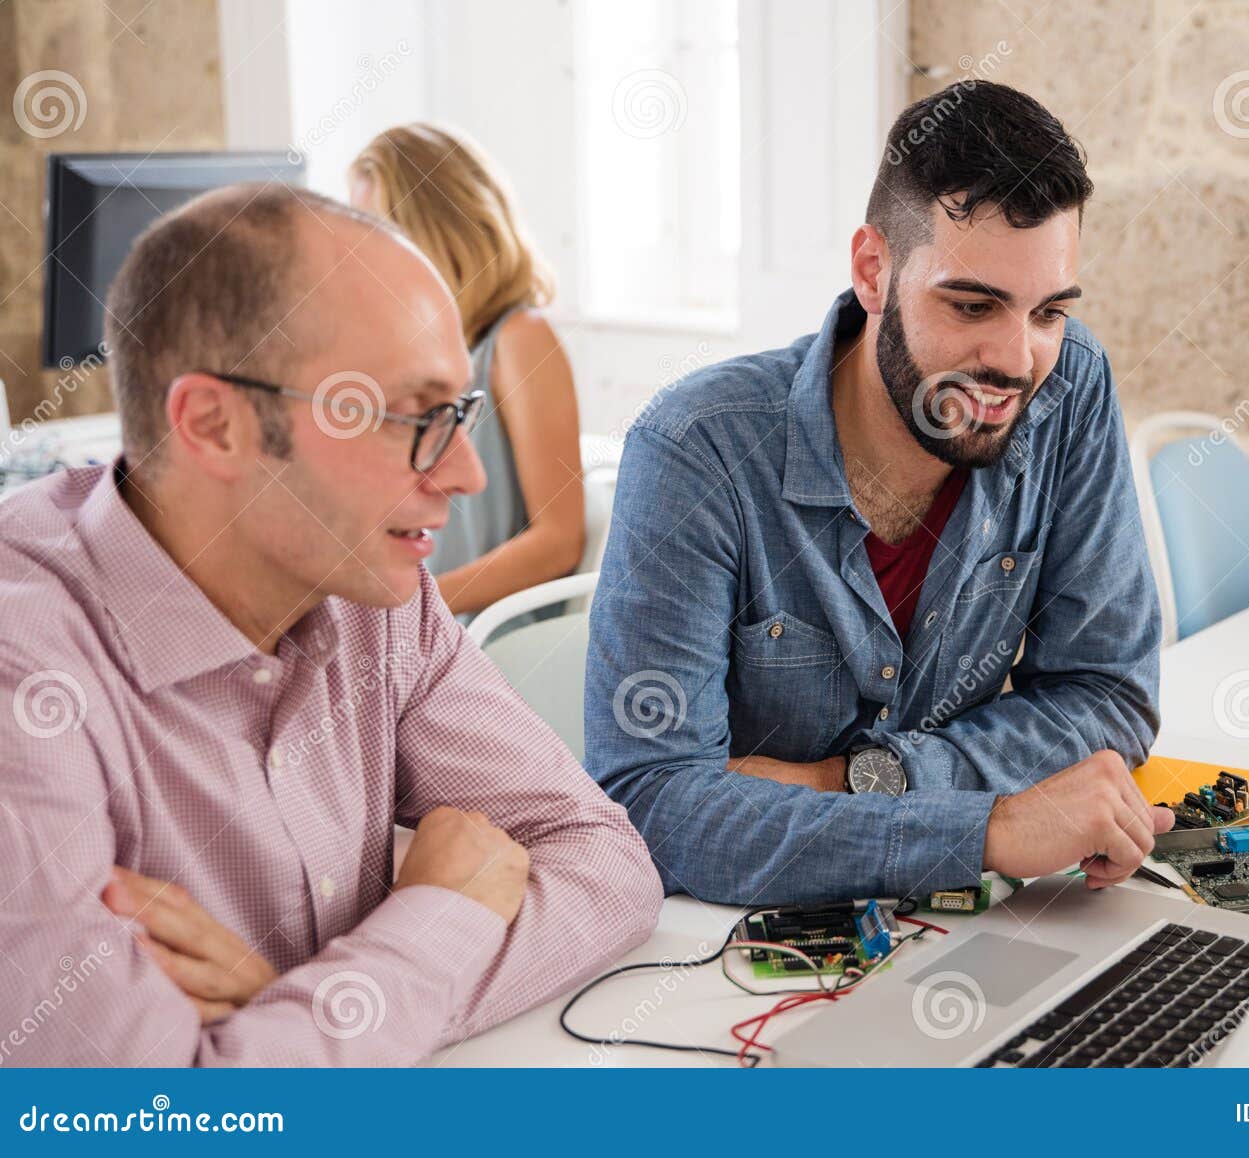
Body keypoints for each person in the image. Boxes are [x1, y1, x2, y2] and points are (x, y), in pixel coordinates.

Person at [0, 184, 660, 1065]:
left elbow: (605, 862)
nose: (463, 472)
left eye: (457, 412)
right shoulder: (25, 683)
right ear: (214, 424)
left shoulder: (373, 594)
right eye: (415, 418)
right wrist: (429, 928)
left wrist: (298, 1000)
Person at [585, 81, 1172, 905]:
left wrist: (862, 778)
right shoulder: (696, 450)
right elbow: (649, 805)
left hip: (961, 928)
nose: (1015, 360)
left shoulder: (1069, 387)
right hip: (735, 951)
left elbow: (1107, 690)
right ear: (873, 269)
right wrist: (984, 830)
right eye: (973, 304)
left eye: (1048, 313)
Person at [349, 123, 584, 619]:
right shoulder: (425, 351)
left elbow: (559, 540)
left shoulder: (521, 339)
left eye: (379, 231)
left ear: (433, 232)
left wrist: (417, 607)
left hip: (487, 636)